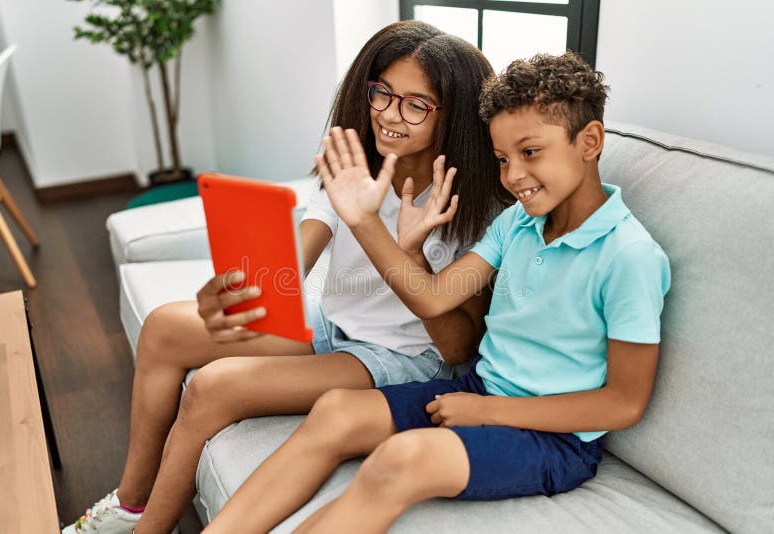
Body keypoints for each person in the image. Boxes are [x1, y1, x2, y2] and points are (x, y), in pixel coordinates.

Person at [198, 51, 672, 533]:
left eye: (530, 153)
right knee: (337, 410)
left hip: (554, 440)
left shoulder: (628, 256)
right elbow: (431, 297)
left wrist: (489, 411)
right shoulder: (517, 224)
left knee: (400, 459)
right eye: (503, 159)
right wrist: (386, 235)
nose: (513, 176)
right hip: (478, 389)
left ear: (589, 141)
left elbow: (623, 403)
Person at [65, 20, 506, 533]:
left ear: (452, 118)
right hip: (334, 324)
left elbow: (456, 349)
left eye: (414, 104)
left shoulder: (474, 208)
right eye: (380, 93)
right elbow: (289, 270)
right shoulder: (353, 165)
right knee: (166, 325)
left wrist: (392, 241)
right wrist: (238, 294)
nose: (388, 114)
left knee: (212, 387)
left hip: (405, 360)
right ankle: (130, 505)